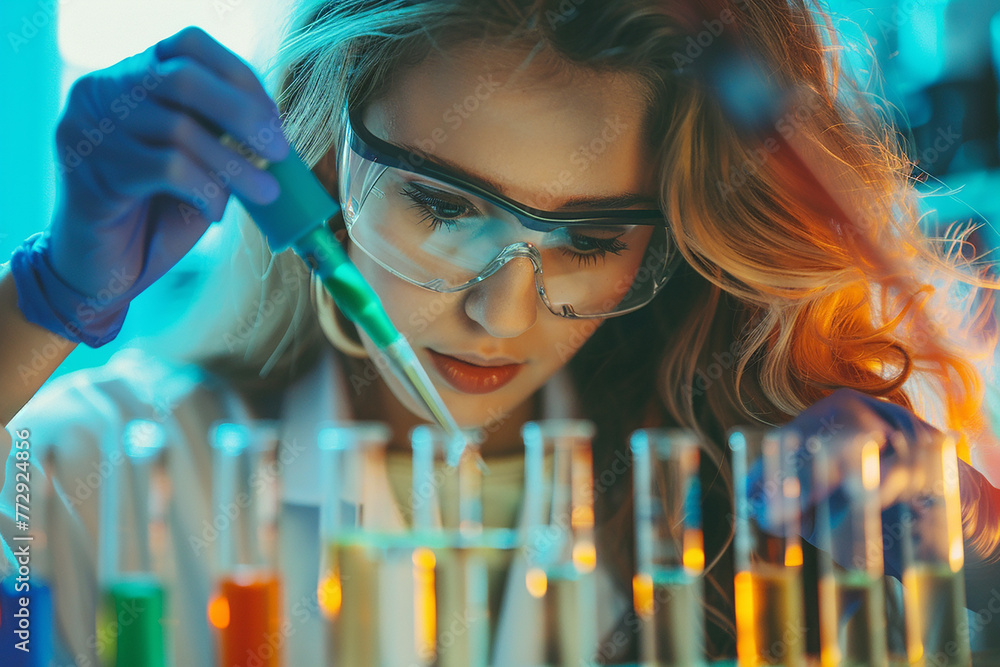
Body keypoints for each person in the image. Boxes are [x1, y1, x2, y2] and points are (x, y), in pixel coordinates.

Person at [2, 0, 1000, 664]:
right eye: (440, 206)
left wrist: (974, 571)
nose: (501, 314)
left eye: (593, 237)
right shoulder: (105, 472)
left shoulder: (744, 493)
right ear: (318, 151)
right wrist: (42, 302)